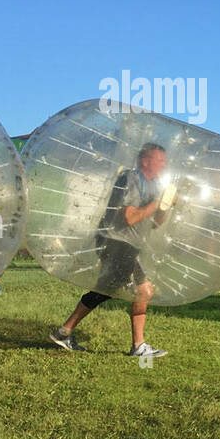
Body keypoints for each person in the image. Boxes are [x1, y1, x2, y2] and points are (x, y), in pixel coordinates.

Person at [50, 143, 178, 358]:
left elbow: (155, 222)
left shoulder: (154, 185)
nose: (164, 165)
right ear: (145, 161)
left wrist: (166, 205)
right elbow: (128, 218)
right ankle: (138, 346)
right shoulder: (131, 179)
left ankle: (65, 331)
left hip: (128, 245)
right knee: (137, 290)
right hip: (115, 241)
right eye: (160, 160)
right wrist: (157, 203)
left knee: (111, 289)